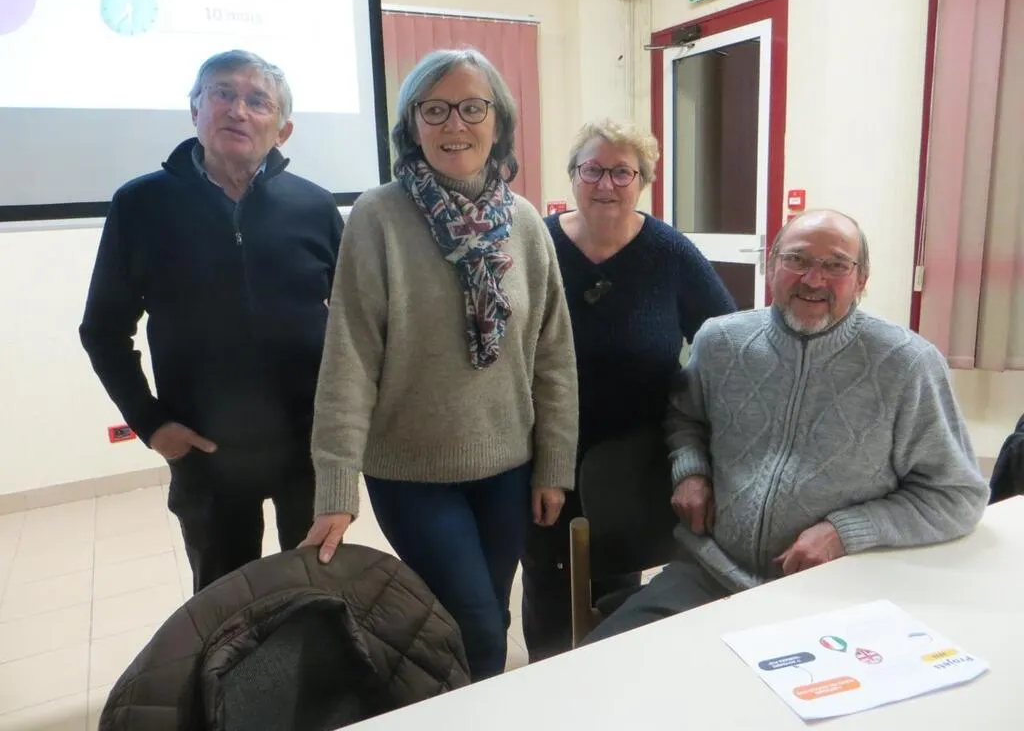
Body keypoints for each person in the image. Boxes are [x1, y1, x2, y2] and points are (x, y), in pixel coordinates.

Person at [582, 209, 991, 644]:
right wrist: (691, 469)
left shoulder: (906, 365)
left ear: (862, 278)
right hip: (706, 576)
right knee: (596, 672)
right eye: (797, 260)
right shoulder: (720, 341)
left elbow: (957, 495)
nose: (813, 280)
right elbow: (686, 416)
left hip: (834, 591)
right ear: (772, 265)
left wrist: (844, 532)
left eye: (835, 265)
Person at [301, 48, 579, 681]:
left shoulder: (528, 224)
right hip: (412, 472)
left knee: (487, 619)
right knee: (477, 621)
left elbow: (554, 355)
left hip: (507, 468)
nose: (456, 125)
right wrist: (337, 485)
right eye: (435, 109)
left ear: (498, 121)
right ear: (412, 125)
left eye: (472, 107)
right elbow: (348, 357)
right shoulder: (377, 216)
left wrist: (555, 463)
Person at [80, 50, 342, 593]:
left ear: (283, 129)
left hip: (309, 451)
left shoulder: (316, 208)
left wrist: (347, 434)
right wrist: (150, 423)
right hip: (207, 454)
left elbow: (354, 329)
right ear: (195, 109)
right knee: (225, 609)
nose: (237, 110)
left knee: (320, 593)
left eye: (257, 101)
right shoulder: (141, 205)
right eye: (222, 93)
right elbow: (103, 329)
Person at [521, 119, 736, 662]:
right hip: (540, 449)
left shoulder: (669, 252)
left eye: (623, 171)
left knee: (616, 588)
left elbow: (725, 341)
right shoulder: (535, 243)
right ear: (573, 176)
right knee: (545, 583)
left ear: (643, 181)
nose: (606, 184)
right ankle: (548, 691)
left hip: (632, 455)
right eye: (592, 169)